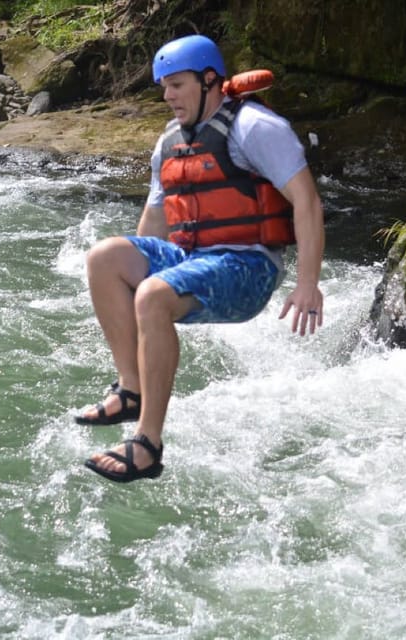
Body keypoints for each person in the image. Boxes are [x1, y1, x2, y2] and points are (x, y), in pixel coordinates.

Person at [77, 34, 325, 483]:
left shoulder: (255, 128)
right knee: (104, 258)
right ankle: (131, 389)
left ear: (209, 80)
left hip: (249, 267)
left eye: (177, 85)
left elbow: (306, 201)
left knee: (152, 295)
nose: (167, 97)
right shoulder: (169, 141)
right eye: (164, 87)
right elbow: (154, 221)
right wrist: (133, 290)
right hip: (194, 256)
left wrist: (307, 283)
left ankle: (147, 444)